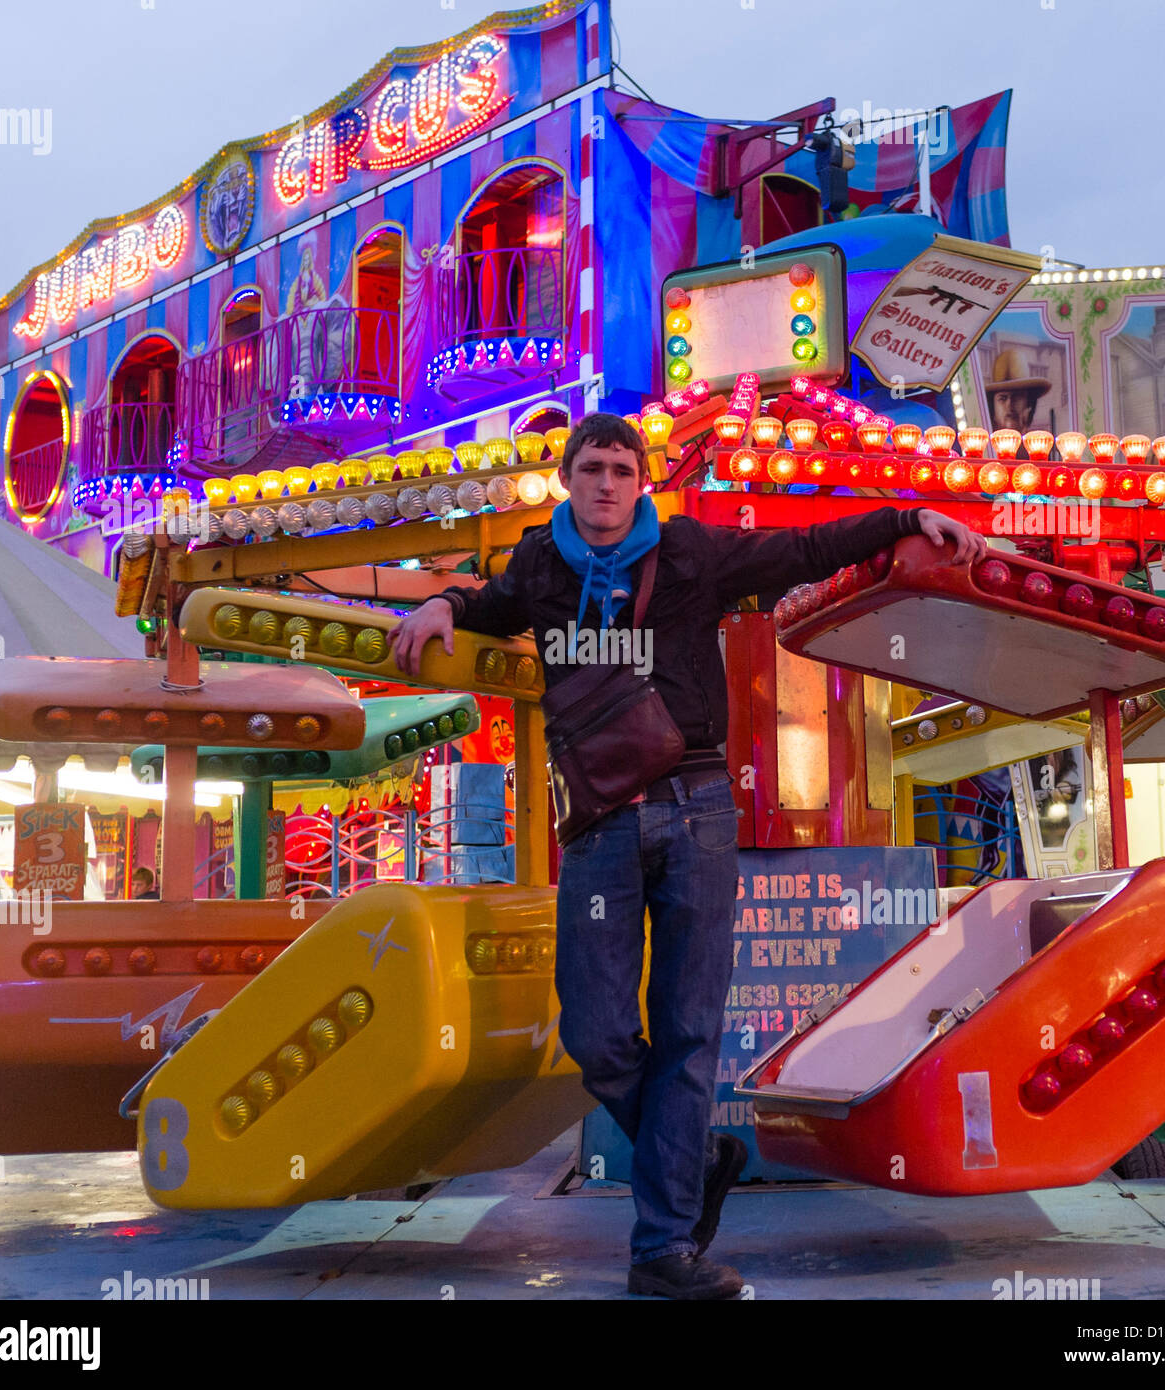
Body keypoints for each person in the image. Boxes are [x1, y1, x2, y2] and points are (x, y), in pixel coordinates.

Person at [387, 412, 985, 1299]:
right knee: (597, 1037)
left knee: (690, 1032)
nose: (606, 485)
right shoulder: (539, 566)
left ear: (642, 482)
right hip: (596, 823)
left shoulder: (693, 553)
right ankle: (697, 1155)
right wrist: (443, 601)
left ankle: (662, 1247)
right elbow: (490, 603)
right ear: (567, 477)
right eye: (591, 469)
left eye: (622, 470)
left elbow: (804, 548)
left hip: (698, 808)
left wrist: (903, 517)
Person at [985, 347, 1052, 432]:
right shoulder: (981, 441)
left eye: (1017, 397)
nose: (1009, 404)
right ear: (993, 408)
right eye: (1002, 398)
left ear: (1029, 403)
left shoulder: (1038, 442)